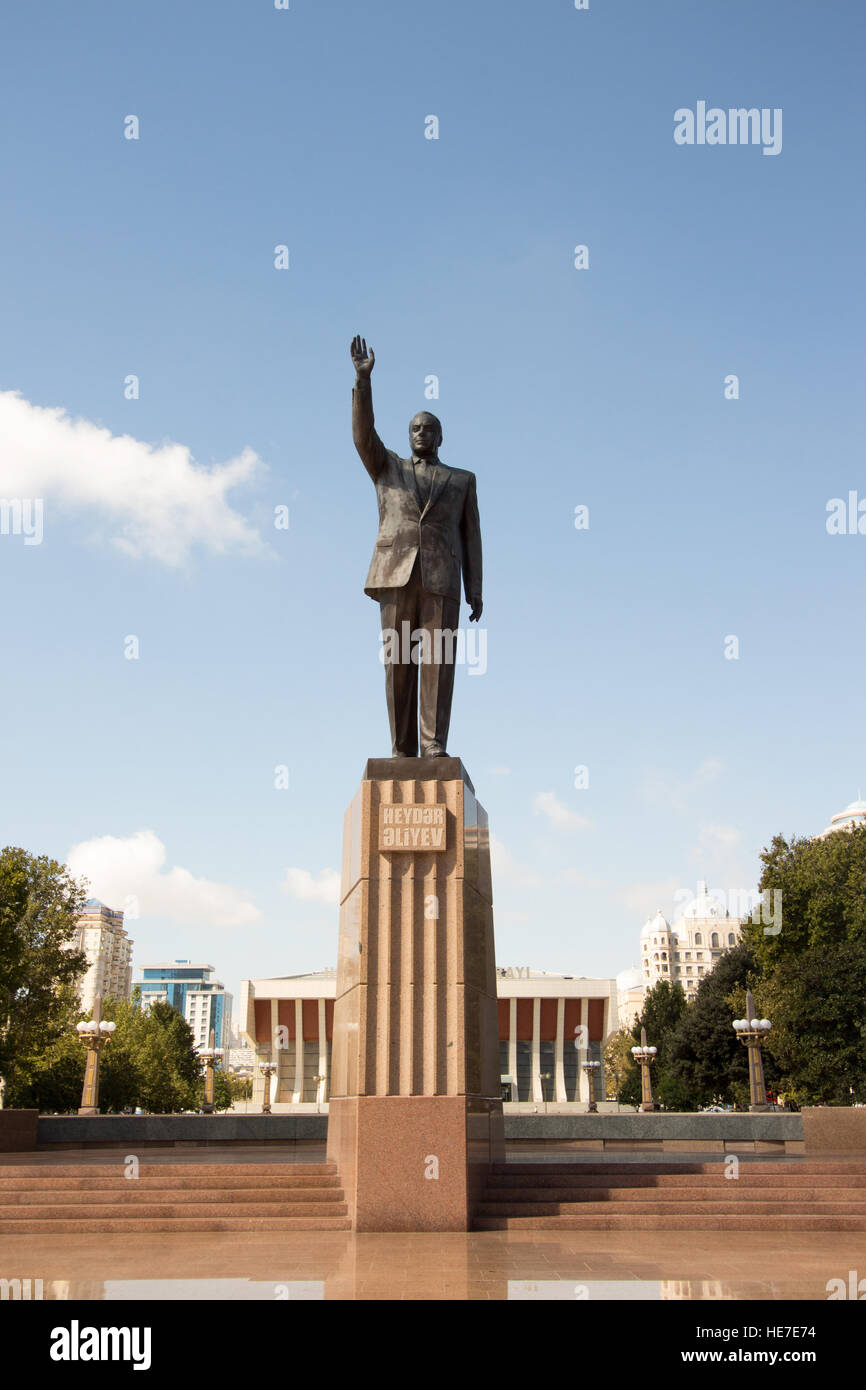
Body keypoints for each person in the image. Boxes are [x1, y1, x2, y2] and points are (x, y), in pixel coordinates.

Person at [350, 335, 483, 757]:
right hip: (395, 575)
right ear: (407, 435)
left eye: (429, 428)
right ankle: (402, 748)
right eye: (415, 428)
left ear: (440, 436)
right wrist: (363, 382)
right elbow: (362, 435)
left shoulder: (462, 480)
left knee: (438, 665)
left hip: (442, 581)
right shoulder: (386, 467)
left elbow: (471, 536)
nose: (421, 433)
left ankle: (433, 745)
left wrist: (475, 589)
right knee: (398, 664)